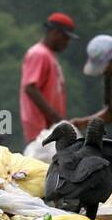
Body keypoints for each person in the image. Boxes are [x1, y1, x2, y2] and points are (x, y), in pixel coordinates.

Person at [19, 13, 79, 143]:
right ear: (56, 33)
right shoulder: (38, 54)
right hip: (41, 129)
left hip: (50, 128)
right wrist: (56, 119)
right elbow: (30, 87)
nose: (67, 43)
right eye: (66, 38)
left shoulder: (49, 56)